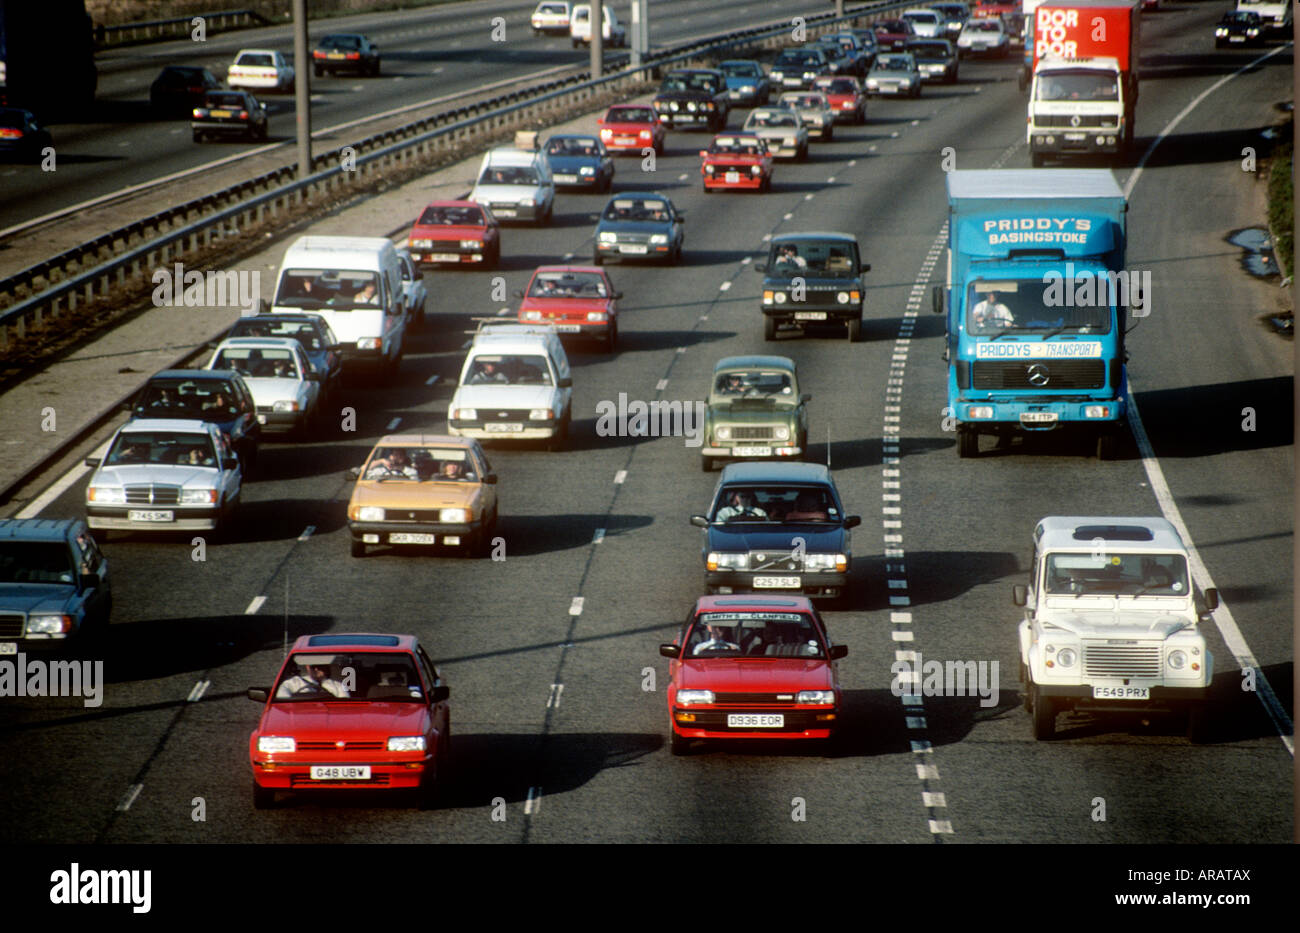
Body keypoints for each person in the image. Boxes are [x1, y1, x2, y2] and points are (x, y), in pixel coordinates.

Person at [276, 661, 350, 698]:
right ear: (307, 667)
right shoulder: (292, 683)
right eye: (313, 666)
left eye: (321, 665)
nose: (317, 669)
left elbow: (345, 708)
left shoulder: (339, 686)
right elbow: (283, 704)